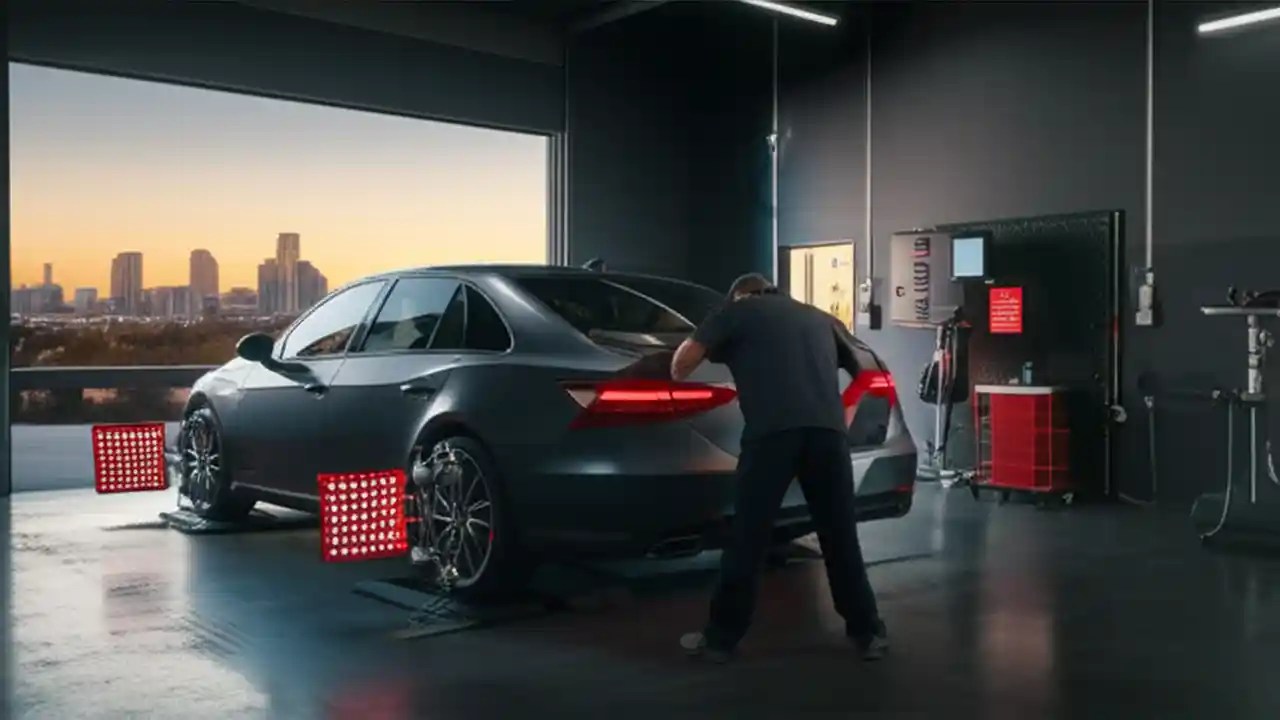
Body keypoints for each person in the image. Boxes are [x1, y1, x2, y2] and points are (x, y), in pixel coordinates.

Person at [669, 272, 889, 663]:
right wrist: (839, 415)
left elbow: (679, 366)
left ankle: (721, 639)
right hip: (828, 435)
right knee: (839, 535)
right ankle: (868, 633)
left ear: (740, 295)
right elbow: (868, 372)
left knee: (748, 537)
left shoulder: (735, 312)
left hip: (772, 434)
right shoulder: (820, 317)